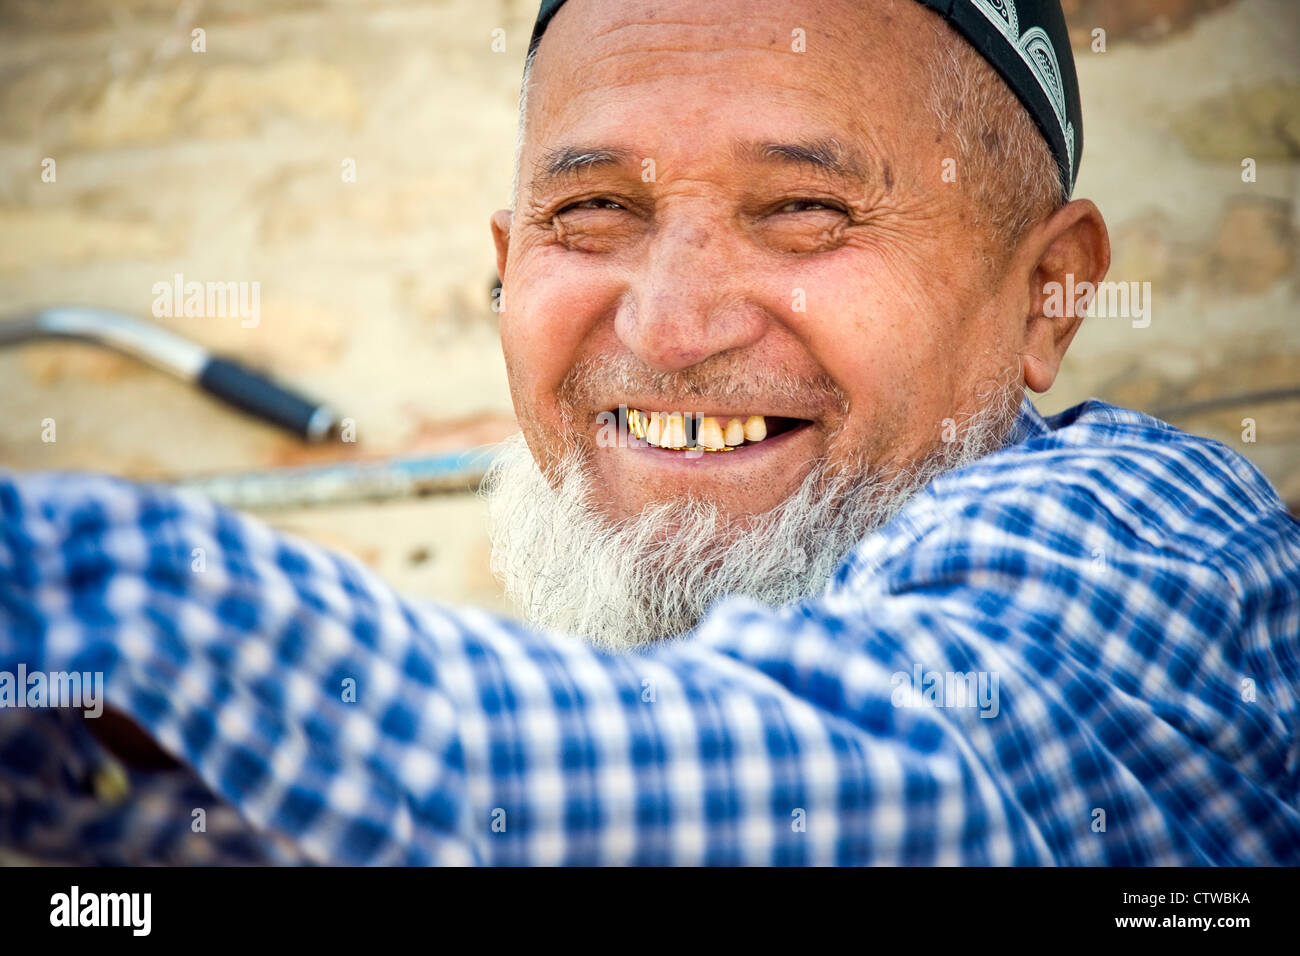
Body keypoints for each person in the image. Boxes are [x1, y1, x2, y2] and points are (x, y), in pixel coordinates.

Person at [2, 0, 1298, 865]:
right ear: (511, 267)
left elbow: (875, 781)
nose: (671, 328)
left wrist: (83, 596)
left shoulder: (1156, 538)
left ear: (1047, 295)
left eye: (802, 208)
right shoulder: (604, 700)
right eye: (594, 213)